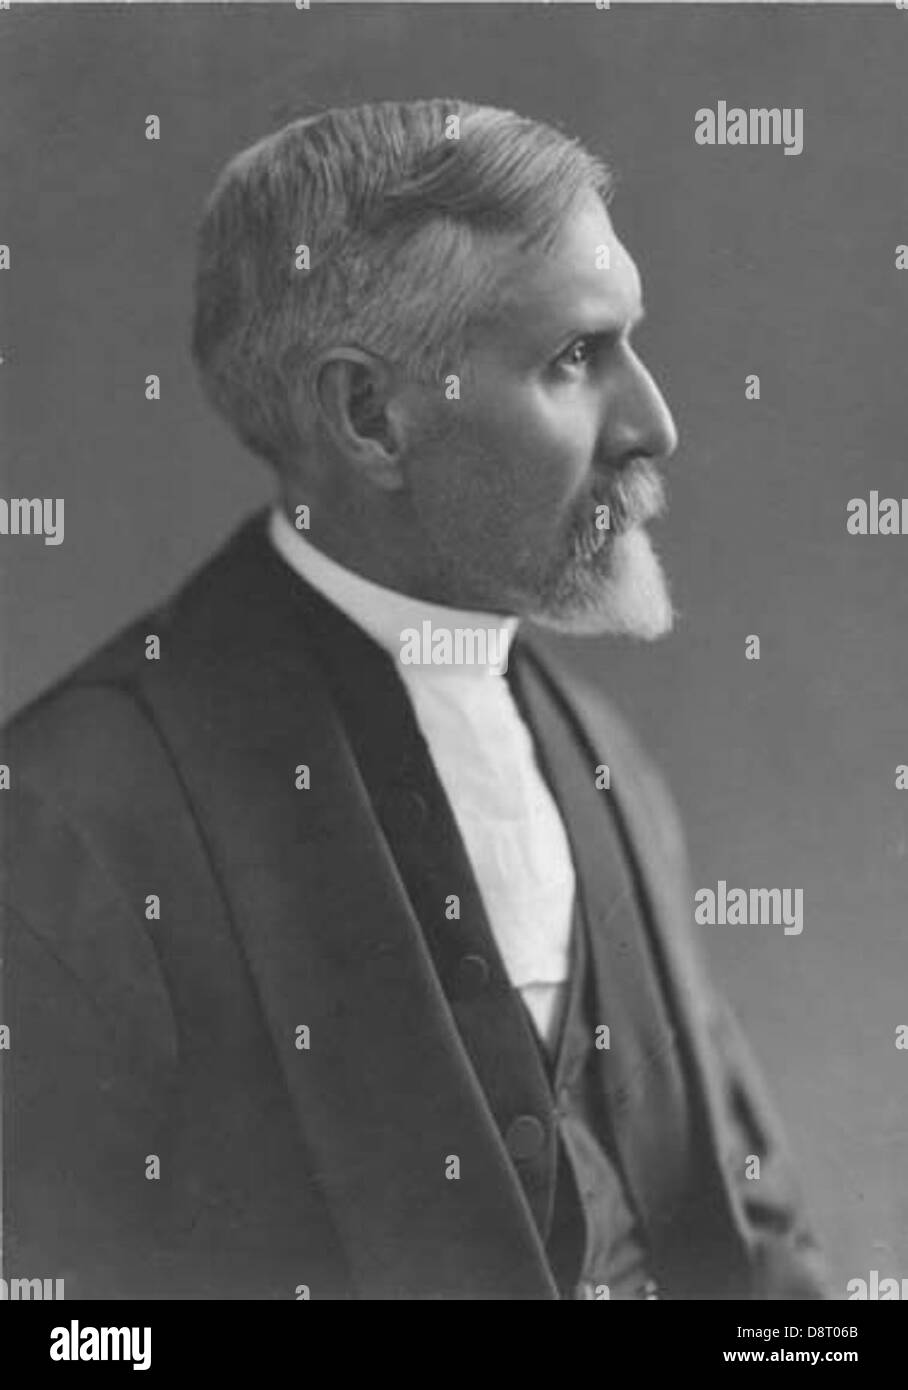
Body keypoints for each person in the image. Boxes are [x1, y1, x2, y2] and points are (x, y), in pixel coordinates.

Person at [1, 99, 827, 1300]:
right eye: (572, 359)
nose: (653, 422)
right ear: (369, 416)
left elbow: (753, 1239)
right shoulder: (72, 818)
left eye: (628, 343)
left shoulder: (605, 764)